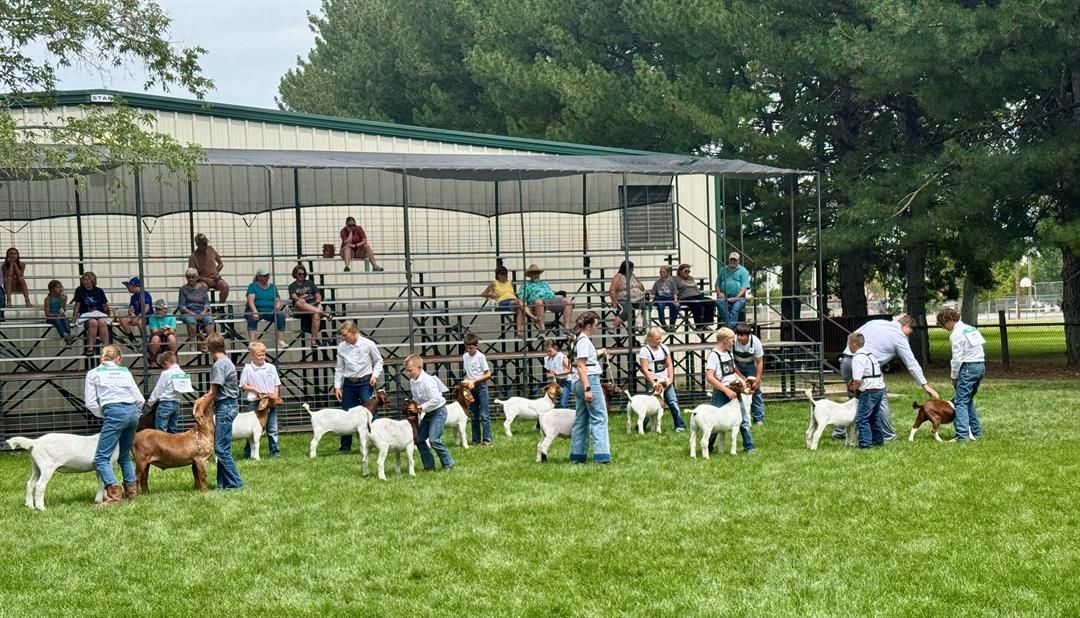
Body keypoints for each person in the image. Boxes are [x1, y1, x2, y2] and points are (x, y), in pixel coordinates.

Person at [832, 315, 941, 441]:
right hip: (868, 368)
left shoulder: (876, 322)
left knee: (854, 399)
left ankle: (840, 432)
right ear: (906, 327)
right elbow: (911, 364)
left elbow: (853, 336)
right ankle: (888, 435)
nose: (909, 335)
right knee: (880, 400)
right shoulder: (899, 336)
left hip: (847, 361)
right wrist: (925, 385)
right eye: (910, 331)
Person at [84, 345, 144, 505]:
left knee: (102, 458)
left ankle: (114, 494)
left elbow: (90, 402)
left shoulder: (93, 373)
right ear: (119, 359)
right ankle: (132, 492)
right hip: (132, 411)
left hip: (113, 411)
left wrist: (104, 413)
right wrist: (135, 413)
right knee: (124, 455)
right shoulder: (124, 371)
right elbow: (140, 399)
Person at [937, 306, 986, 442]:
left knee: (960, 402)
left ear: (948, 320)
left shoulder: (956, 334)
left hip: (968, 368)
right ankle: (976, 433)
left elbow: (957, 358)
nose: (943, 327)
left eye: (942, 324)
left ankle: (962, 435)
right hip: (980, 365)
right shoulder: (971, 329)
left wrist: (954, 376)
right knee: (967, 400)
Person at [333, 321, 383, 453]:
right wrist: (337, 386)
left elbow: (378, 361)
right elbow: (339, 368)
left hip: (365, 382)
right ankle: (345, 447)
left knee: (370, 413)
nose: (343, 338)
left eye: (345, 335)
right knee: (346, 414)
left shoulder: (368, 344)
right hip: (349, 383)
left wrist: (375, 375)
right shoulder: (341, 347)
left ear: (354, 332)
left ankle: (377, 441)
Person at [705, 327, 756, 454]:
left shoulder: (729, 353)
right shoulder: (714, 356)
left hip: (735, 390)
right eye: (732, 340)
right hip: (721, 392)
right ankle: (708, 445)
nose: (734, 342)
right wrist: (725, 390)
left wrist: (743, 384)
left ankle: (749, 446)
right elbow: (710, 377)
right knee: (715, 420)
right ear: (724, 341)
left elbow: (733, 371)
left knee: (743, 418)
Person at [569, 311, 611, 464]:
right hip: (589, 380)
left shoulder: (576, 339)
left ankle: (577, 455)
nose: (596, 328)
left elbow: (582, 361)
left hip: (575, 381)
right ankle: (601, 456)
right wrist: (588, 388)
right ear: (588, 326)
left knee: (581, 419)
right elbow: (581, 365)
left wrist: (599, 353)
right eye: (595, 326)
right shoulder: (585, 341)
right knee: (599, 417)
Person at [404, 354, 454, 471]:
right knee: (419, 439)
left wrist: (420, 408)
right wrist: (412, 403)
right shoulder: (413, 381)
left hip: (438, 411)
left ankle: (448, 464)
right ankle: (429, 465)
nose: (408, 373)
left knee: (434, 440)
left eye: (410, 370)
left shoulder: (428, 381)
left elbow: (436, 399)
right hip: (428, 412)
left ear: (419, 367)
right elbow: (417, 397)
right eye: (407, 371)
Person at [206, 333, 243, 490]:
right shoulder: (227, 361)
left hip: (225, 405)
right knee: (221, 447)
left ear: (210, 348)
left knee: (221, 448)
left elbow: (213, 391)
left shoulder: (219, 365)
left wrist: (201, 405)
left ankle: (236, 483)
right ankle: (223, 484)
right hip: (231, 404)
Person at [239, 341, 282, 458]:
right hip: (255, 402)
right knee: (250, 429)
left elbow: (276, 384)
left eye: (263, 355)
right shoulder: (248, 369)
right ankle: (248, 452)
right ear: (252, 356)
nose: (262, 357)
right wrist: (254, 389)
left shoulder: (270, 368)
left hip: (269, 401)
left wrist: (274, 396)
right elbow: (243, 385)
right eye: (259, 355)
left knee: (272, 427)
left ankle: (275, 452)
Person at [638, 327, 685, 432]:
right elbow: (645, 369)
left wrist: (671, 379)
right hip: (653, 380)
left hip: (665, 380)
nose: (659, 341)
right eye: (656, 339)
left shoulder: (664, 348)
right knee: (649, 405)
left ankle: (680, 425)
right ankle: (641, 424)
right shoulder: (644, 351)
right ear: (649, 339)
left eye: (660, 338)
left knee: (672, 401)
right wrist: (653, 383)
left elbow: (669, 365)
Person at [848, 332, 886, 449]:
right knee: (874, 417)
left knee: (861, 419)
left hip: (868, 390)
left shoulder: (858, 358)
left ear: (854, 344)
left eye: (848, 343)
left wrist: (854, 390)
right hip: (879, 389)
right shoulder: (870, 355)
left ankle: (865, 444)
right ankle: (878, 441)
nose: (848, 346)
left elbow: (857, 380)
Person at [519, 264, 574, 334]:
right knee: (538, 302)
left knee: (568, 300)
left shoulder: (544, 283)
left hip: (551, 299)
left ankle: (567, 329)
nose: (536, 275)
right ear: (530, 275)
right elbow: (521, 299)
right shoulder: (526, 285)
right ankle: (542, 330)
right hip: (537, 302)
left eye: (537, 273)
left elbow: (552, 293)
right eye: (534, 273)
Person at [146, 351, 192, 433]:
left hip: (165, 403)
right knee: (173, 429)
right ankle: (172, 445)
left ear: (166, 363)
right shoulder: (182, 373)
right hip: (177, 403)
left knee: (161, 430)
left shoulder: (166, 374)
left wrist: (150, 401)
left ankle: (161, 445)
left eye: (163, 365)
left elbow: (159, 389)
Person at [480, 265, 531, 337]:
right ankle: (532, 316)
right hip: (502, 302)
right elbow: (483, 294)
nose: (504, 276)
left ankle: (519, 331)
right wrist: (491, 295)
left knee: (519, 309)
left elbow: (512, 293)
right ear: (498, 275)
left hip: (513, 300)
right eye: (502, 274)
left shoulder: (509, 282)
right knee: (519, 302)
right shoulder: (494, 283)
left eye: (505, 274)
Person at [245, 267, 289, 349]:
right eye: (264, 276)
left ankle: (280, 340)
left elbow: (278, 300)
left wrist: (277, 307)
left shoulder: (272, 287)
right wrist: (255, 311)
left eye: (267, 275)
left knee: (281, 314)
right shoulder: (252, 286)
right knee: (252, 315)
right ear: (259, 277)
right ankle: (252, 341)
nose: (266, 277)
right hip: (257, 309)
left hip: (270, 311)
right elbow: (250, 300)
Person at [461, 332, 493, 446]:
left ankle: (487, 440)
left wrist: (475, 381)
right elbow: (468, 373)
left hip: (481, 386)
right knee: (474, 414)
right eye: (467, 348)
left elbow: (488, 374)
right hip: (471, 387)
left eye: (471, 348)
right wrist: (466, 381)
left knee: (484, 414)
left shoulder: (480, 356)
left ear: (476, 346)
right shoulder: (465, 357)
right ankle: (475, 439)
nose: (469, 350)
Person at [288, 264, 328, 346]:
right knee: (300, 303)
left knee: (316, 315)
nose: (302, 275)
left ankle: (313, 340)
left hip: (312, 304)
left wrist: (318, 300)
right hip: (300, 307)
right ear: (295, 274)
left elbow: (318, 294)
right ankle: (323, 313)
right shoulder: (292, 286)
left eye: (303, 274)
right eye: (300, 274)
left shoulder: (310, 283)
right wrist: (300, 299)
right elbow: (294, 297)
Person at [733, 323, 766, 424]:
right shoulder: (733, 341)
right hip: (736, 365)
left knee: (755, 390)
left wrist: (758, 379)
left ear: (748, 335)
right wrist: (740, 376)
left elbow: (760, 362)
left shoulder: (755, 342)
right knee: (736, 388)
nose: (739, 337)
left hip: (750, 365)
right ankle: (737, 417)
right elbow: (730, 361)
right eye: (738, 335)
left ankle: (758, 418)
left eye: (742, 335)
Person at [72, 271, 111, 355]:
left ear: (92, 281)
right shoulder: (80, 290)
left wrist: (108, 314)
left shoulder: (99, 291)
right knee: (93, 322)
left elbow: (105, 305)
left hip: (99, 313)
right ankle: (90, 348)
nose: (85, 282)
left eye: (87, 280)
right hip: (87, 314)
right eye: (84, 280)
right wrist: (74, 317)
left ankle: (106, 347)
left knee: (101, 322)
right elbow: (77, 305)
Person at [178, 268, 216, 352]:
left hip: (202, 311)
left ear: (197, 277)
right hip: (188, 311)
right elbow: (182, 306)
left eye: (193, 277)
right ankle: (193, 343)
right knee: (191, 321)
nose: (191, 279)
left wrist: (203, 313)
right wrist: (193, 314)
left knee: (209, 320)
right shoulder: (183, 289)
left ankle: (209, 343)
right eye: (189, 277)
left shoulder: (202, 288)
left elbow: (207, 304)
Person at [188, 233, 230, 303]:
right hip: (202, 280)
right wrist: (207, 279)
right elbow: (193, 275)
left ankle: (221, 307)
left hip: (215, 278)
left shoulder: (211, 249)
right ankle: (205, 308)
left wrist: (216, 272)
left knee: (225, 287)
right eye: (203, 244)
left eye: (206, 243)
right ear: (198, 245)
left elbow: (221, 264)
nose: (205, 245)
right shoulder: (193, 257)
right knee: (202, 288)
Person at [715, 252, 750, 328]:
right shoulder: (723, 269)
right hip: (725, 296)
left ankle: (729, 326)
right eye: (731, 260)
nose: (733, 261)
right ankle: (731, 326)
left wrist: (736, 297)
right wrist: (719, 293)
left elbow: (744, 287)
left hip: (739, 297)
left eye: (735, 260)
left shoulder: (743, 271)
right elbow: (717, 284)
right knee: (719, 302)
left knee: (735, 309)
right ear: (729, 260)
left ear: (738, 261)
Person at [674, 264, 715, 328]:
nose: (687, 273)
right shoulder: (676, 279)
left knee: (710, 301)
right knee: (696, 303)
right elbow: (674, 289)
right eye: (685, 271)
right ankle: (699, 325)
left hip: (696, 295)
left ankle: (707, 322)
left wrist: (700, 295)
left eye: (688, 271)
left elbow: (696, 288)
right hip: (685, 297)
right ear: (680, 271)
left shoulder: (691, 278)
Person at [609, 260, 646, 330]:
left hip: (637, 299)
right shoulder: (618, 277)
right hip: (624, 299)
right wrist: (614, 302)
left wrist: (642, 290)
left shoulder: (632, 275)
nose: (632, 270)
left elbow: (639, 284)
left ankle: (640, 325)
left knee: (646, 306)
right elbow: (612, 290)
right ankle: (613, 326)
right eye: (631, 268)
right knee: (627, 311)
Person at [118, 276, 152, 342]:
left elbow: (146, 308)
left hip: (146, 316)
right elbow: (130, 309)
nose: (127, 288)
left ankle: (145, 341)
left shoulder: (146, 294)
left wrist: (138, 316)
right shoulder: (133, 297)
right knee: (124, 320)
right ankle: (133, 340)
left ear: (134, 285)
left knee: (140, 322)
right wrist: (132, 314)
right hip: (136, 316)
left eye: (128, 286)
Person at [43, 279, 76, 344]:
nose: (60, 289)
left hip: (60, 316)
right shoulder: (48, 299)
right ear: (52, 290)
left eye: (61, 287)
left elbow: (62, 310)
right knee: (57, 320)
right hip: (51, 317)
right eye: (58, 287)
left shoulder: (62, 297)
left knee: (65, 320)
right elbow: (47, 313)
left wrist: (64, 301)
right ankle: (64, 335)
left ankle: (68, 335)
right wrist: (55, 315)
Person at [543, 338, 572, 408]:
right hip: (556, 383)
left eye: (550, 351)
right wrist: (549, 375)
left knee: (563, 403)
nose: (548, 353)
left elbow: (569, 370)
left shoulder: (562, 357)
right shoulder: (547, 359)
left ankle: (566, 417)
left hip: (566, 382)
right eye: (547, 352)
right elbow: (549, 372)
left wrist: (557, 373)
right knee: (549, 402)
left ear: (555, 348)